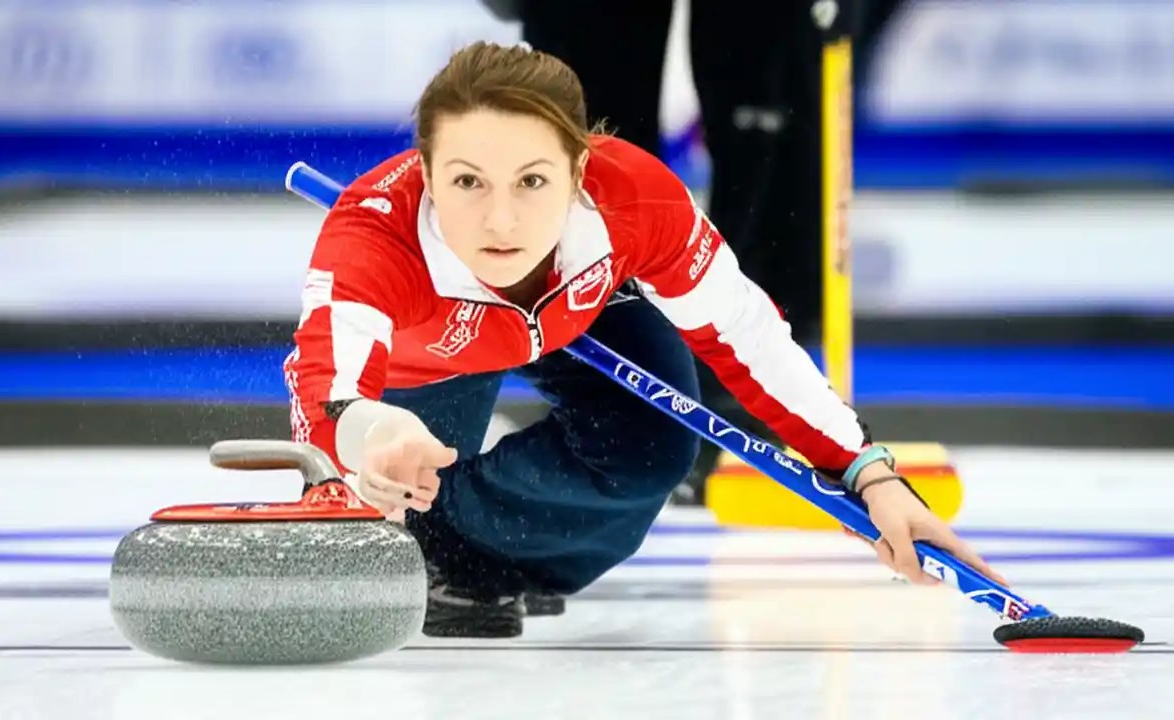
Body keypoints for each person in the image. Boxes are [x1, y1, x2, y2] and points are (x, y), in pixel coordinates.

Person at [283, 41, 1002, 639]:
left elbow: (749, 339)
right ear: (427, 177)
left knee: (654, 446)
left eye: (532, 181)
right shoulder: (372, 238)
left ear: (580, 170)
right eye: (468, 181)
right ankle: (425, 537)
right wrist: (370, 434)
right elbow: (326, 394)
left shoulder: (637, 199)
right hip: (429, 351)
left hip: (580, 308)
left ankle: (468, 556)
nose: (501, 221)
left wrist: (873, 478)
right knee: (388, 489)